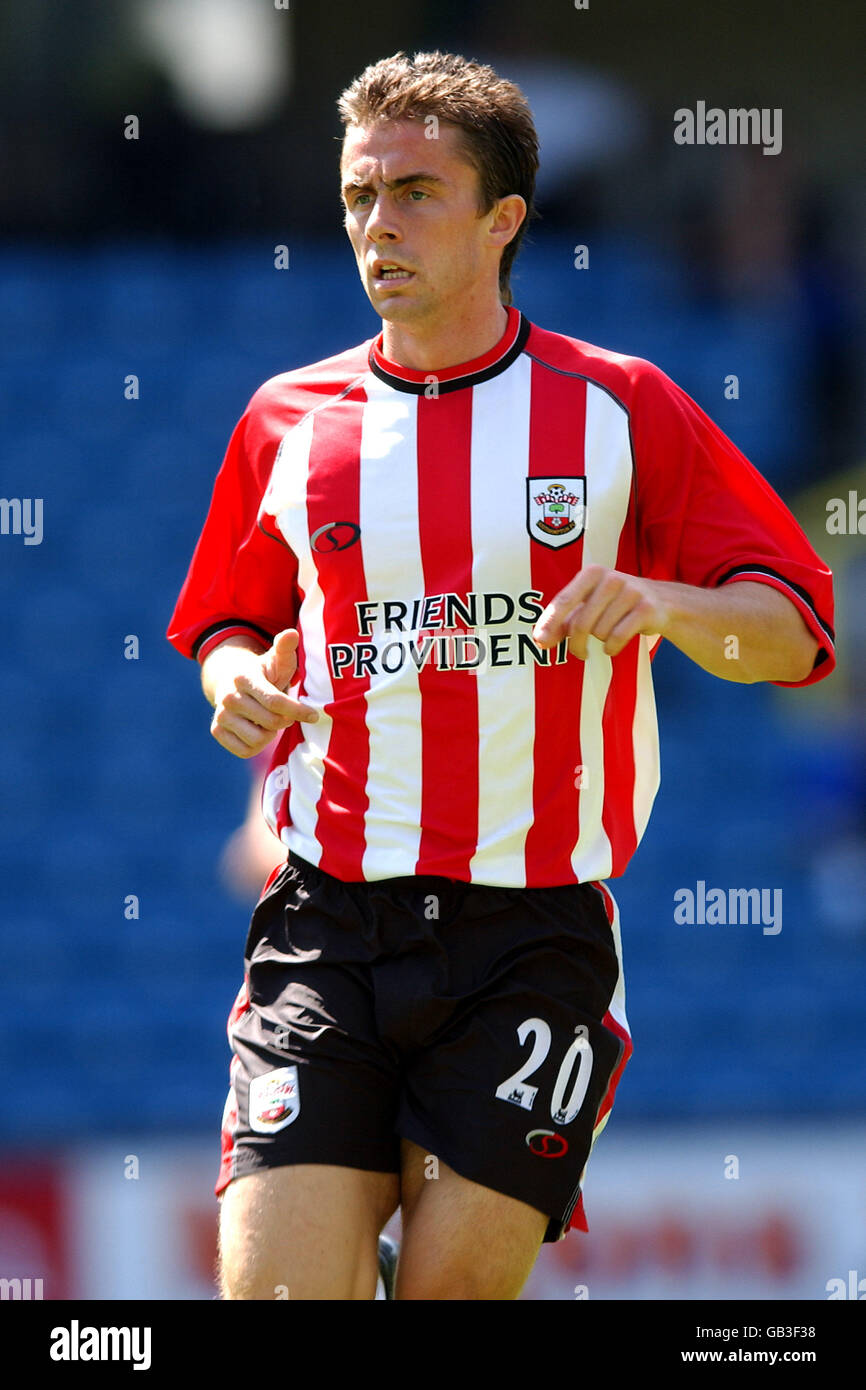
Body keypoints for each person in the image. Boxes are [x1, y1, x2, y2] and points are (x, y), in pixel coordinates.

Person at [166, 50, 835, 1301]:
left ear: (502, 218)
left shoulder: (619, 408)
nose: (378, 224)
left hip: (532, 932)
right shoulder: (285, 420)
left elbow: (789, 630)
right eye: (361, 194)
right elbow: (225, 626)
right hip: (329, 924)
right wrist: (234, 679)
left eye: (415, 191)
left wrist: (659, 603)